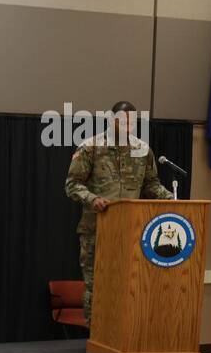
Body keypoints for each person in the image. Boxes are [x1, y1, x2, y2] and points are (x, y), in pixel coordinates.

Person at [64, 102, 174, 320]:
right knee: (97, 283)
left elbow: (151, 184)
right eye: (123, 120)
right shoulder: (91, 147)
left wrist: (173, 200)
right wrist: (92, 199)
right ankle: (96, 333)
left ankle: (122, 334)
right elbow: (72, 185)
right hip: (98, 229)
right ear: (110, 119)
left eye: (132, 121)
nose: (128, 125)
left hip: (132, 231)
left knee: (129, 283)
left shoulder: (142, 150)